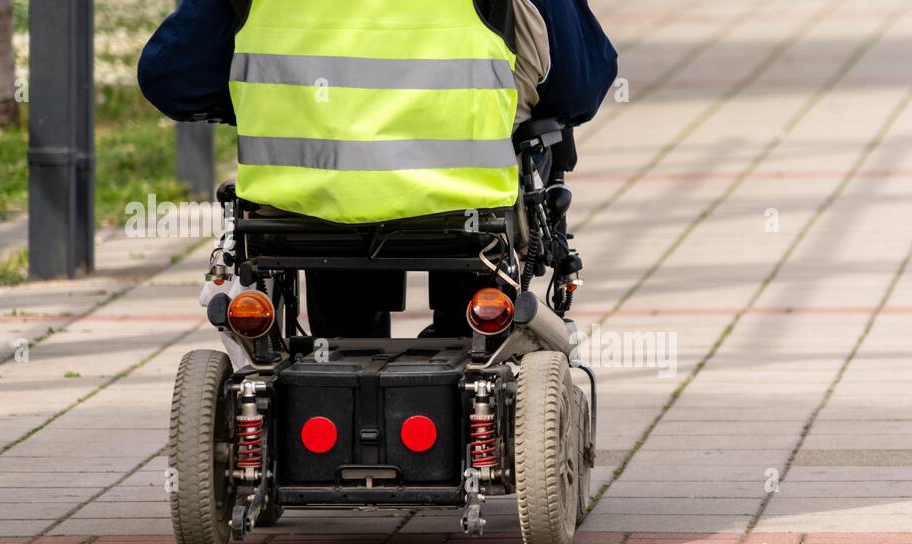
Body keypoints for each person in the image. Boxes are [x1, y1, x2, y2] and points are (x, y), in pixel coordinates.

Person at [139, 0, 617, 338]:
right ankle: (466, 337)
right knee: (501, 191)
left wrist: (277, 94)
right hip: (465, 203)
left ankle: (334, 353)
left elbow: (171, 79)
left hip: (301, 204)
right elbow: (579, 85)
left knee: (332, 253)